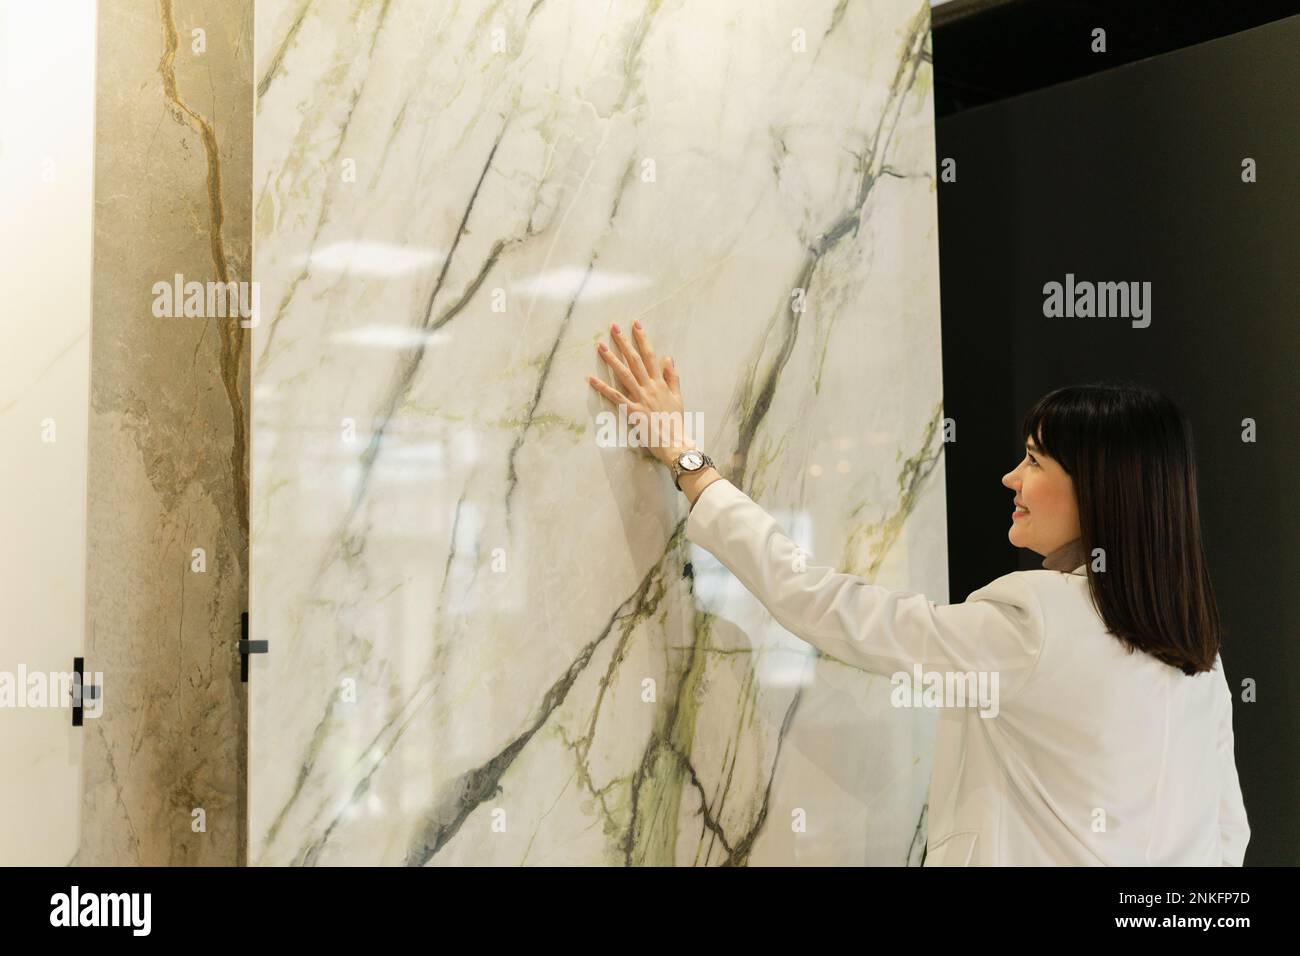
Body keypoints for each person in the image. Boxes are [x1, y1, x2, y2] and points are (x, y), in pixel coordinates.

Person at [586, 320, 1250, 866]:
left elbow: (826, 605)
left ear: (1100, 493)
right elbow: (1228, 839)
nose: (1010, 478)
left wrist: (688, 463)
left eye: (1035, 461)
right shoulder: (1199, 656)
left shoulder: (1037, 623)